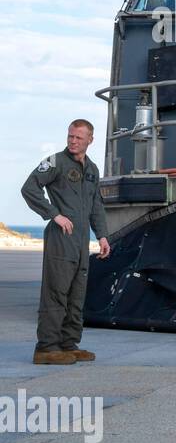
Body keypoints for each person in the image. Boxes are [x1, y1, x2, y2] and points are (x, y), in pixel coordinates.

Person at [21, 120, 111, 365]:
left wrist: (102, 235)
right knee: (56, 293)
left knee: (76, 294)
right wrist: (54, 215)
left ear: (90, 140)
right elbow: (29, 188)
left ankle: (69, 344)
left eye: (78, 138)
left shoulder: (92, 169)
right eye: (70, 136)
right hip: (61, 239)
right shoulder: (55, 163)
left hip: (81, 241)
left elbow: (96, 206)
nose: (73, 141)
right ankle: (47, 348)